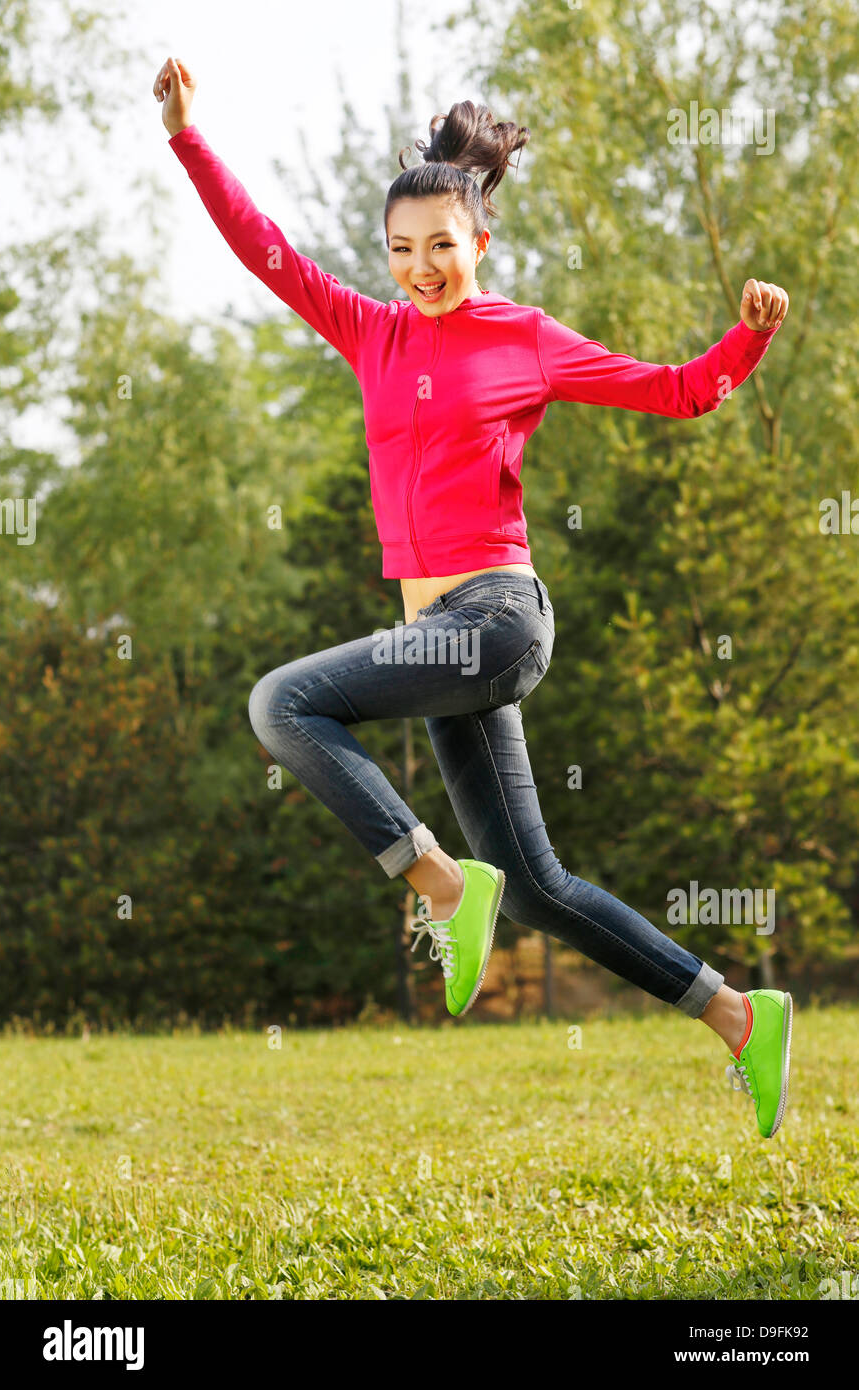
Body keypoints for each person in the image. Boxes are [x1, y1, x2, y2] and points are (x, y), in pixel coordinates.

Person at [154, 56, 792, 1137]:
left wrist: (748, 336)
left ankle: (440, 887)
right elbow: (264, 249)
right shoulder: (371, 333)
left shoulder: (522, 339)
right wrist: (186, 136)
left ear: (478, 243)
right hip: (433, 636)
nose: (420, 269)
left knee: (283, 704)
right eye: (401, 252)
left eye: (440, 248)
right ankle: (736, 1013)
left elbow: (682, 392)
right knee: (536, 884)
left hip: (493, 617)